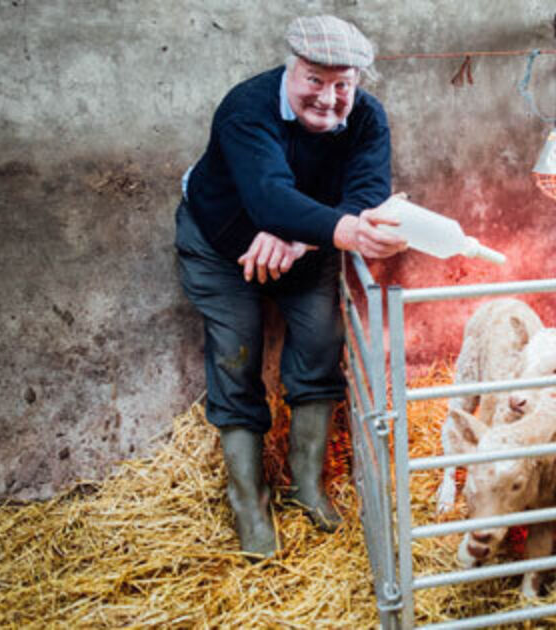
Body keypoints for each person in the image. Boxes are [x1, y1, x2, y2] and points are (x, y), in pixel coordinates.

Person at [174, 15, 406, 559]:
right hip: (220, 243)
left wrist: (301, 241)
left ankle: (308, 486)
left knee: (322, 341)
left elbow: (367, 191)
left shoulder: (368, 119)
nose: (328, 99)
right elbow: (267, 195)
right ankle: (248, 502)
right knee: (237, 348)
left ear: (358, 82)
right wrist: (342, 230)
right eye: (314, 80)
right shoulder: (246, 108)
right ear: (291, 68)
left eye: (342, 84)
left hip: (306, 246)